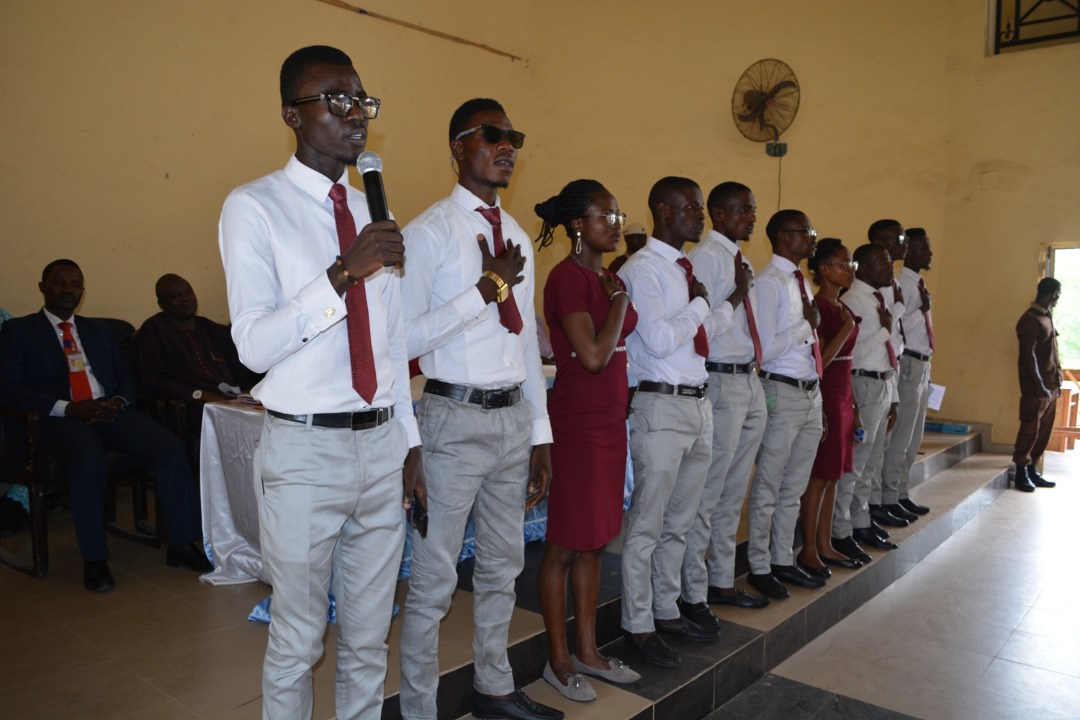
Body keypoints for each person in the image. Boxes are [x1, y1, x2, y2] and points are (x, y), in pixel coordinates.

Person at [218, 45, 422, 720]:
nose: (355, 113)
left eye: (361, 99)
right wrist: (341, 274)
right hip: (305, 453)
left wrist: (408, 440)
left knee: (369, 638)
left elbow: (390, 341)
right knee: (298, 640)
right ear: (291, 115)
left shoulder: (373, 212)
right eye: (336, 100)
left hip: (381, 445)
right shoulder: (254, 207)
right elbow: (252, 347)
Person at [399, 98, 562, 720]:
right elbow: (404, 341)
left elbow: (524, 346)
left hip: (513, 418)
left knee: (502, 566)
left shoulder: (516, 234)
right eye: (491, 134)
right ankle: (419, 709)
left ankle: (494, 688)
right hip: (454, 419)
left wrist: (540, 435)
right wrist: (484, 290)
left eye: (513, 137)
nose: (506, 147)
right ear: (457, 147)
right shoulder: (430, 232)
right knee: (436, 577)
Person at [0, 259, 210, 593]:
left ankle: (182, 543)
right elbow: (8, 388)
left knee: (171, 448)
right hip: (60, 419)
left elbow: (126, 378)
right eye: (60, 282)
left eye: (76, 284)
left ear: (83, 291)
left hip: (109, 411)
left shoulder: (97, 330)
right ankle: (95, 558)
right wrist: (69, 408)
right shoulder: (20, 331)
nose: (69, 290)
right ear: (42, 287)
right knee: (89, 459)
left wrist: (118, 402)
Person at [534, 179, 640, 702]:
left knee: (595, 542)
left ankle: (588, 651)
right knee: (564, 545)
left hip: (610, 421)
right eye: (605, 216)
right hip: (578, 425)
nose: (615, 225)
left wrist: (616, 292)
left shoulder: (606, 278)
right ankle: (557, 661)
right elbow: (594, 356)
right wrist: (620, 300)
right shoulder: (567, 279)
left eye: (618, 216)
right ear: (578, 224)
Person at [618, 176, 715, 669]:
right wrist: (700, 305)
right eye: (691, 207)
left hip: (697, 403)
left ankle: (666, 608)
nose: (699, 215)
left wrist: (703, 307)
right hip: (660, 406)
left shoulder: (683, 269)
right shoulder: (643, 269)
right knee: (648, 524)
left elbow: (696, 338)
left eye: (700, 207)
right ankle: (637, 624)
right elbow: (657, 340)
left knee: (680, 521)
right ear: (662, 210)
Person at [682, 181, 770, 615]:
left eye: (752, 209)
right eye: (743, 210)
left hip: (748, 378)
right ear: (718, 213)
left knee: (734, 491)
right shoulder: (706, 258)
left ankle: (721, 579)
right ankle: (693, 590)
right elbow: (702, 327)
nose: (751, 217)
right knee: (709, 490)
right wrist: (737, 295)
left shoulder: (740, 259)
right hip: (719, 378)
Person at [745, 210, 826, 600]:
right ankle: (759, 565)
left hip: (810, 391)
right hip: (782, 390)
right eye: (806, 231)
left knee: (794, 486)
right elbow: (764, 349)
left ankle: (782, 558)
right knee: (769, 483)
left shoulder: (800, 280)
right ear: (782, 236)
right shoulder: (769, 283)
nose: (812, 237)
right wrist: (806, 325)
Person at [832, 244, 903, 556]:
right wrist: (885, 331)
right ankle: (840, 529)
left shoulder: (876, 299)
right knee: (856, 463)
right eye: (883, 262)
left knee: (872, 461)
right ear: (863, 266)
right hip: (863, 385)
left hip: (883, 384)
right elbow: (853, 355)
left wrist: (894, 395)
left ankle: (860, 520)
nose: (890, 267)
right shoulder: (852, 300)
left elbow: (888, 354)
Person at [797, 239, 863, 573]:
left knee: (834, 475)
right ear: (824, 269)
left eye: (852, 264)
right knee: (819, 475)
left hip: (844, 395)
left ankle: (826, 544)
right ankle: (809, 548)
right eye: (844, 264)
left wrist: (855, 406)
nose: (851, 270)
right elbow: (820, 361)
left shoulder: (842, 306)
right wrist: (847, 329)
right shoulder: (820, 307)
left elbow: (847, 363)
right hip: (826, 395)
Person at [138, 273, 254, 431]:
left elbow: (239, 372)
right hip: (191, 405)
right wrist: (199, 394)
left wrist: (247, 392)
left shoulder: (214, 330)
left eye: (188, 292)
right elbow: (154, 382)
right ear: (161, 304)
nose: (185, 299)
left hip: (232, 401)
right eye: (175, 296)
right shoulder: (153, 330)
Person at [880, 229, 935, 515]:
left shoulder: (917, 283)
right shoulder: (901, 283)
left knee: (914, 436)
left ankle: (902, 491)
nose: (930, 253)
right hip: (909, 362)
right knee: (901, 435)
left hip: (923, 363)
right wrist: (920, 309)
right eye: (924, 248)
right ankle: (889, 496)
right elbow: (897, 327)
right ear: (910, 250)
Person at [866, 219, 914, 527]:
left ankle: (878, 504)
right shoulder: (875, 285)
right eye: (899, 239)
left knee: (882, 444)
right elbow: (881, 328)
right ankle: (870, 507)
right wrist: (898, 310)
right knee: (871, 449)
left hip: (889, 366)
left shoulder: (891, 281)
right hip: (873, 369)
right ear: (882, 242)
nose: (904, 244)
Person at [1012, 277, 1062, 491]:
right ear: (1053, 294)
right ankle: (1021, 471)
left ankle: (1032, 469)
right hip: (1036, 387)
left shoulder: (1046, 317)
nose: (1058, 299)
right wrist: (1039, 384)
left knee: (1043, 431)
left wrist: (1055, 383)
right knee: (1030, 428)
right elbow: (1028, 355)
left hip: (1051, 385)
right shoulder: (1030, 319)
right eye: (1058, 295)